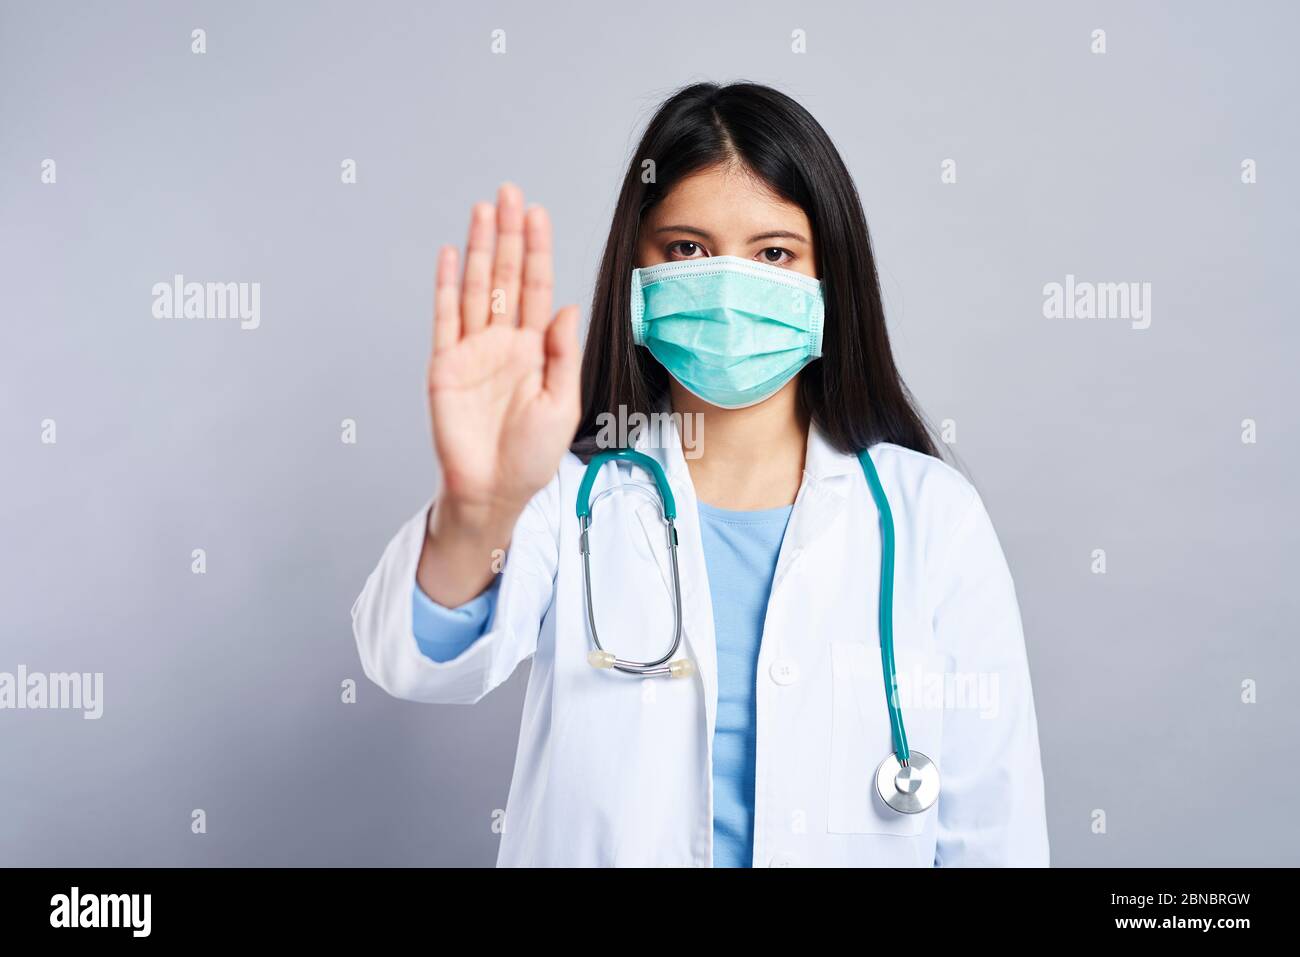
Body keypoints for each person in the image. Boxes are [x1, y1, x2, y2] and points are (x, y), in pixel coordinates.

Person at [352, 81, 1049, 867]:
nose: (727, 287)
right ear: (636, 267)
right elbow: (415, 664)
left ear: (830, 281)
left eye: (774, 253)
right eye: (686, 249)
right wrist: (479, 511)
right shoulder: (565, 499)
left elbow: (996, 831)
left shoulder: (934, 520)